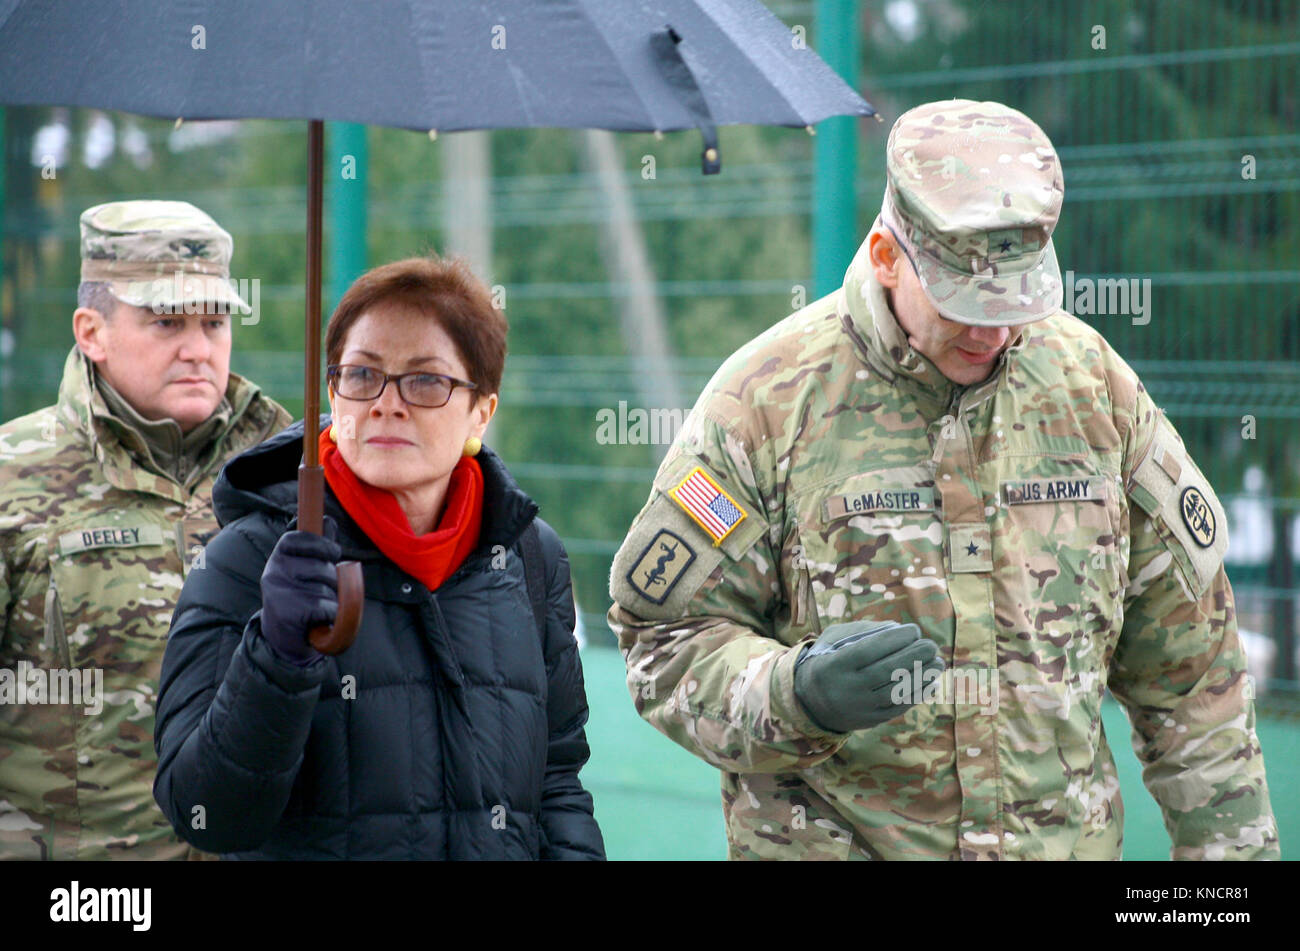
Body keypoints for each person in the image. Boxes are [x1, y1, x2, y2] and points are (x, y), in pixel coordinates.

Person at [607, 99, 1279, 861]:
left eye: (1018, 299)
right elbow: (663, 638)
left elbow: (1194, 676)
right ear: (888, 255)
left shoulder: (1094, 392)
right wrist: (791, 694)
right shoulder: (763, 404)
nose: (995, 333)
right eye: (966, 303)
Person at [153, 256, 606, 860]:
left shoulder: (527, 553)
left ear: (482, 411)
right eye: (362, 375)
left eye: (426, 381)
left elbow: (556, 779)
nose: (387, 404)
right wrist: (276, 660)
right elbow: (206, 815)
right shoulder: (252, 557)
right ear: (333, 392)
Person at [0, 200, 292, 859]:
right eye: (166, 321)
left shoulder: (286, 475)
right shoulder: (11, 482)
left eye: (215, 321)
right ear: (90, 331)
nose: (198, 348)